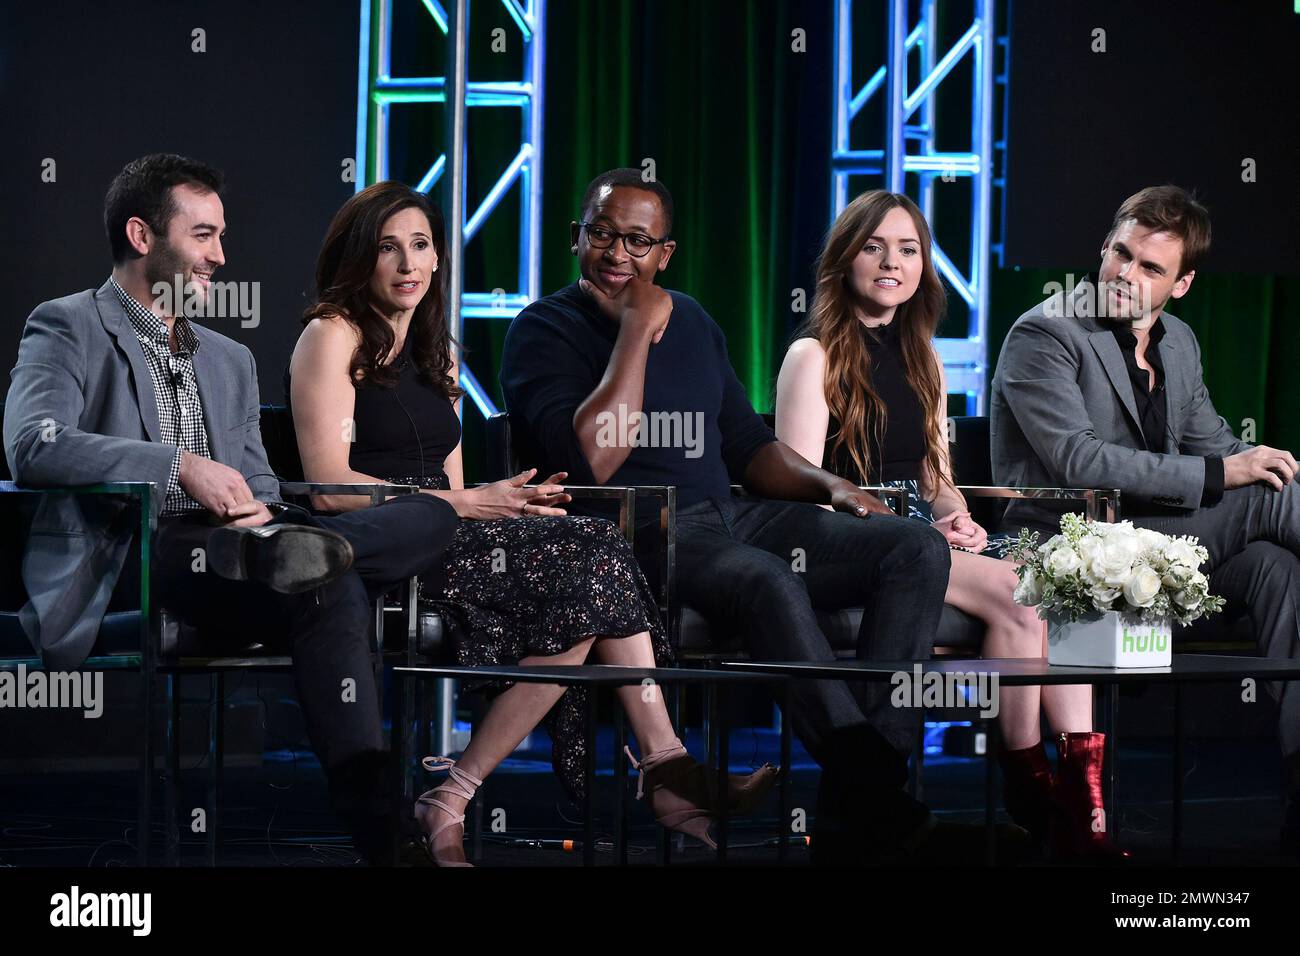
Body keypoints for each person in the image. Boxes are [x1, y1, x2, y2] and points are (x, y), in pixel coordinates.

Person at [499, 167, 1021, 865]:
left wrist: (830, 485)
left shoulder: (693, 321)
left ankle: (861, 807)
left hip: (732, 511)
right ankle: (879, 801)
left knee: (911, 548)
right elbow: (597, 457)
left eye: (638, 240)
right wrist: (633, 333)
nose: (619, 253)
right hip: (642, 531)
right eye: (602, 234)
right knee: (769, 579)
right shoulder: (543, 330)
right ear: (575, 238)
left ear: (665, 252)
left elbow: (749, 446)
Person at [286, 180, 774, 866]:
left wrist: (515, 506)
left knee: (588, 565)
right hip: (381, 544)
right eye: (388, 248)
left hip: (446, 536)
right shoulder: (329, 335)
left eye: (421, 247)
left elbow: (455, 489)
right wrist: (466, 505)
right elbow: (330, 491)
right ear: (359, 259)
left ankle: (454, 797)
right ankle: (660, 767)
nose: (407, 265)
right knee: (589, 578)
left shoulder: (436, 350)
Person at [1, 153, 458, 865]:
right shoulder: (65, 326)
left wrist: (262, 514)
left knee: (427, 520)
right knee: (313, 568)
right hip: (136, 552)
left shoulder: (228, 358)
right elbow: (33, 445)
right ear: (143, 236)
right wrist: (176, 465)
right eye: (205, 236)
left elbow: (261, 482)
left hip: (238, 556)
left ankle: (372, 814)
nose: (221, 255)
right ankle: (381, 824)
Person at [775, 189, 1125, 861]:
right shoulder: (813, 355)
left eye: (907, 249)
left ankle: (1054, 795)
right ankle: (1053, 796)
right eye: (873, 246)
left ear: (923, 267)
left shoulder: (924, 358)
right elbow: (802, 494)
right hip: (842, 543)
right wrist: (914, 532)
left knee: (1045, 590)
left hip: (921, 540)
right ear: (846, 258)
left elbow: (935, 478)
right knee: (1027, 588)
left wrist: (956, 516)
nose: (891, 262)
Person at [991, 184, 1300, 857]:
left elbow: (1211, 440)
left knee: (1279, 567)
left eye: (1150, 267)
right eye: (1121, 255)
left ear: (1181, 283)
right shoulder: (1045, 333)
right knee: (1267, 501)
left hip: (1161, 543)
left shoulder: (1178, 341)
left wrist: (1258, 460)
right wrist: (1228, 475)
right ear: (1104, 249)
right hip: (1071, 540)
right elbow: (1077, 458)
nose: (1126, 276)